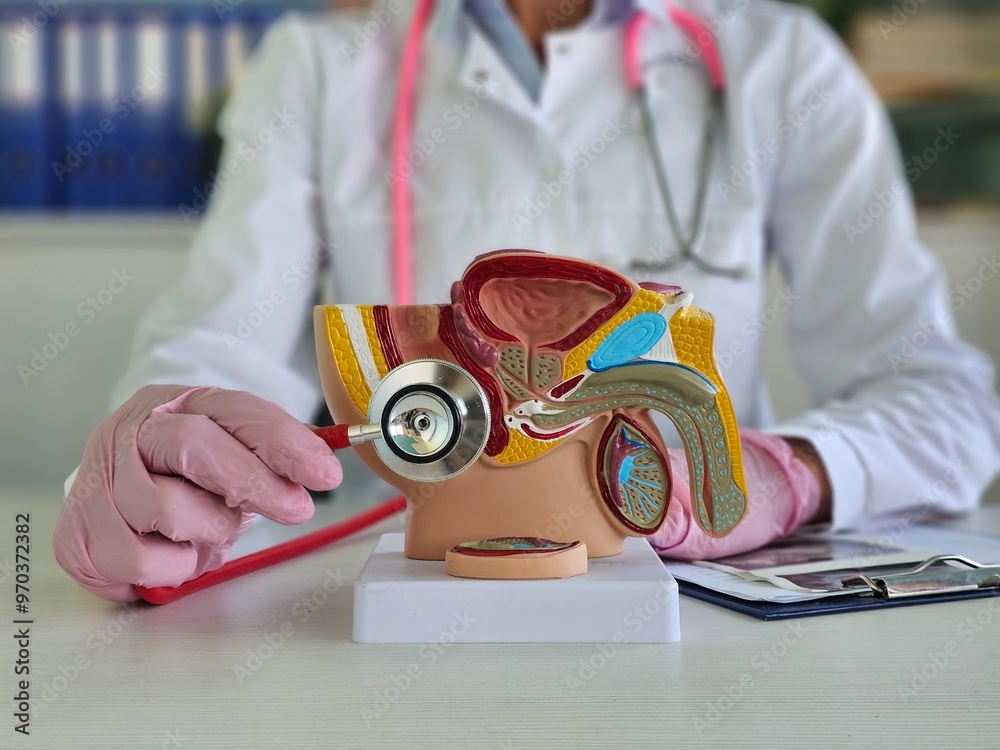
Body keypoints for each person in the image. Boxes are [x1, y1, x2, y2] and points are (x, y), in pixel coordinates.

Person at [54, 0, 1000, 602]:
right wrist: (156, 459)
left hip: (692, 619)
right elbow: (222, 353)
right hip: (408, 611)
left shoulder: (782, 63)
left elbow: (946, 403)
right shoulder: (316, 67)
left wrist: (789, 473)